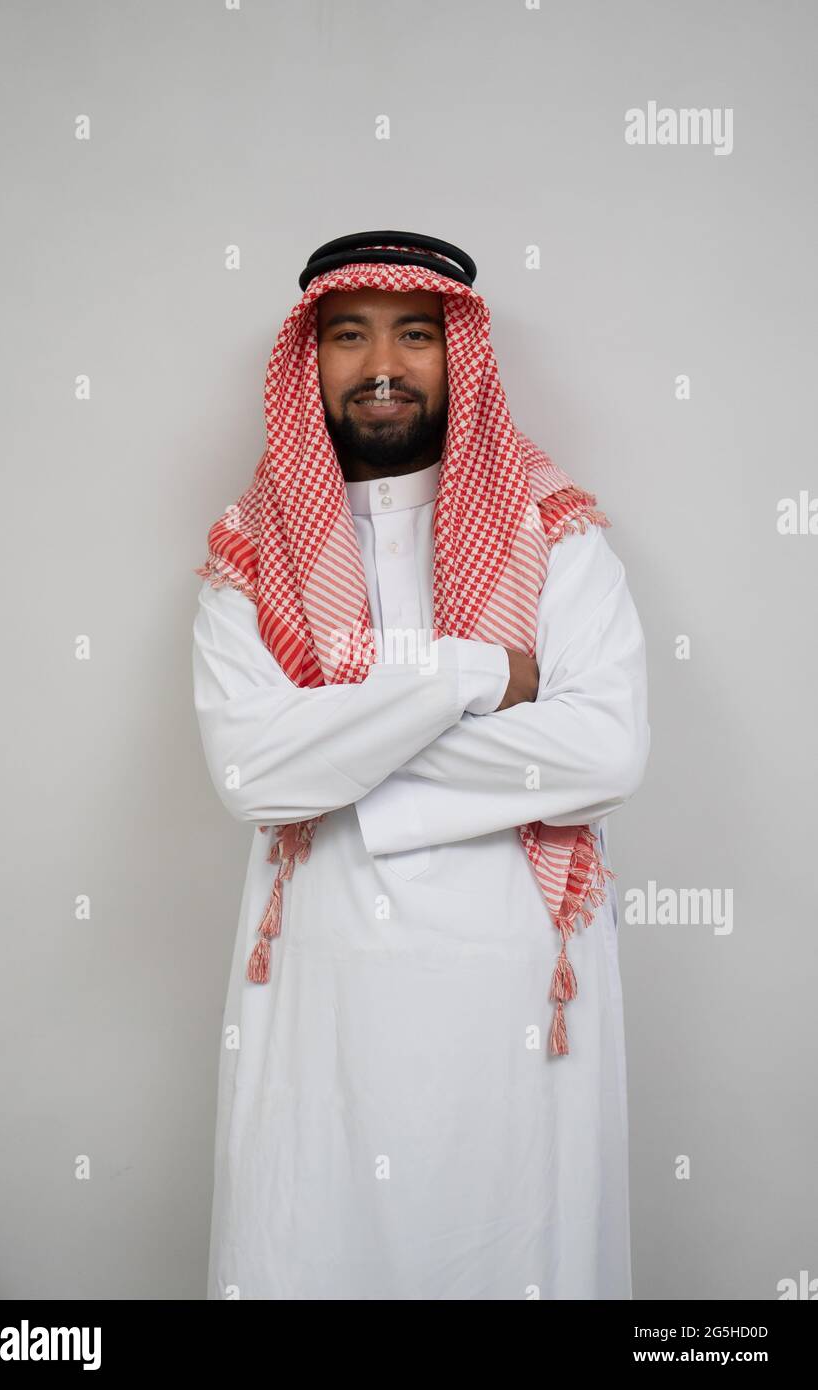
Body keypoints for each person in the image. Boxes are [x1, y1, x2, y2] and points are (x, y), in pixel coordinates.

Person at [192, 232, 650, 1300]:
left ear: (463, 357)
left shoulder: (557, 532)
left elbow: (602, 747)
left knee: (508, 1245)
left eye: (415, 333)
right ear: (309, 358)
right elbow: (252, 774)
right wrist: (469, 673)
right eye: (348, 335)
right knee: (319, 1241)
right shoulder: (249, 549)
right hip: (325, 983)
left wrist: (344, 754)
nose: (380, 363)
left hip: (514, 986)